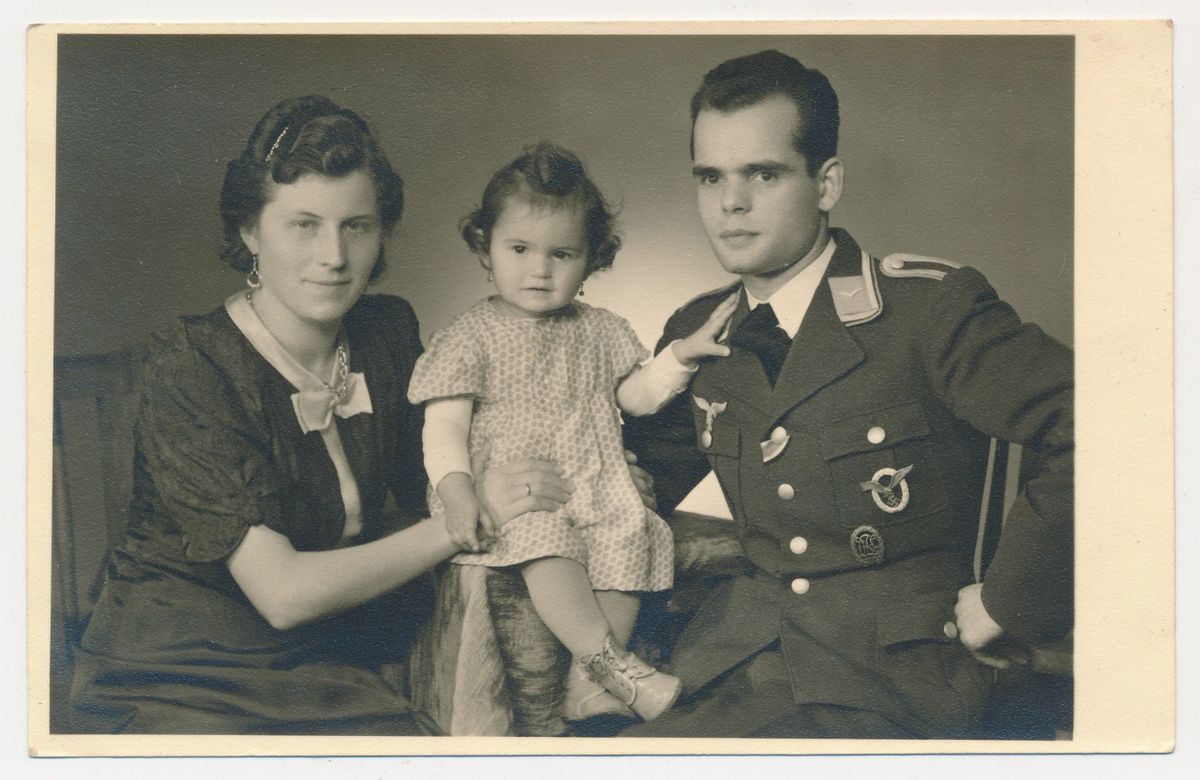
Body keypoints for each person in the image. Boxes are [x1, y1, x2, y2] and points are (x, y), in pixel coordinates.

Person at [68, 96, 573, 735]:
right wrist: (463, 523)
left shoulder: (386, 333)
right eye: (303, 224)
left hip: (328, 660)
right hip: (180, 673)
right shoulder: (190, 363)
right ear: (250, 231)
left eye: (356, 225)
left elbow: (451, 469)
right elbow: (281, 594)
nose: (333, 256)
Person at [620, 50, 1074, 739]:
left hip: (897, 682)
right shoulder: (697, 333)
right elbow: (633, 478)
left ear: (826, 183)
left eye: (762, 174)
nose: (729, 203)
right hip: (732, 666)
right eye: (709, 176)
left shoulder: (927, 311)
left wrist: (1011, 598)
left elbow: (1121, 427)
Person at [406, 143, 736, 723]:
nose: (540, 269)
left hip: (593, 478)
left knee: (631, 529)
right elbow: (444, 428)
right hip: (515, 490)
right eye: (519, 249)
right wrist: (457, 493)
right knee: (544, 538)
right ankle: (609, 661)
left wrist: (681, 356)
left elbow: (634, 397)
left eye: (562, 254)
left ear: (591, 262)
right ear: (486, 248)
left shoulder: (601, 330)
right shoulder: (470, 335)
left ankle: (587, 684)